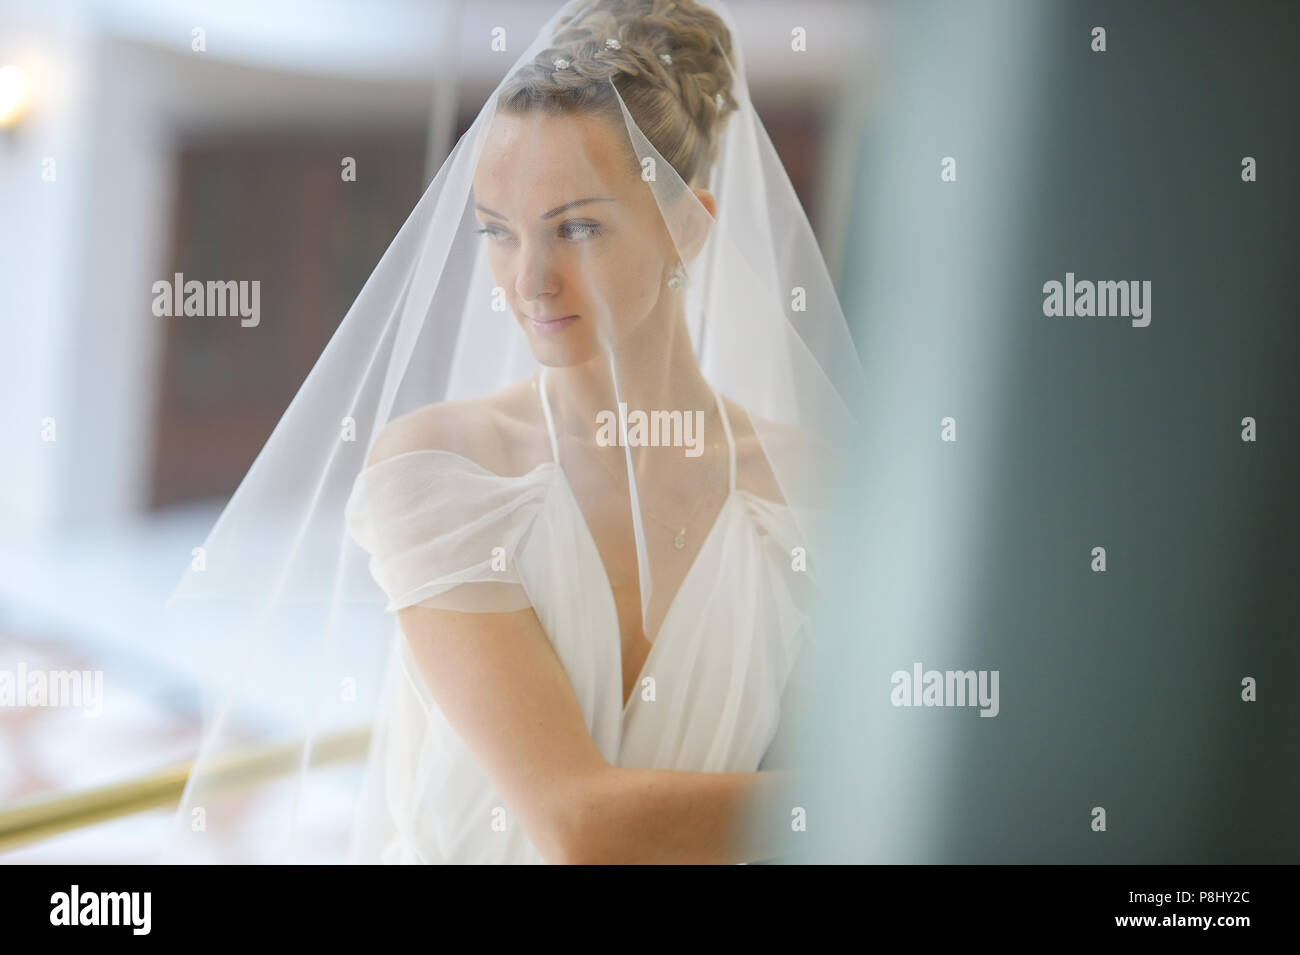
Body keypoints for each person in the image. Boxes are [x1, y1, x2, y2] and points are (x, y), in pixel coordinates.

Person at [162, 0, 865, 865]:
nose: (529, 279)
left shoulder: (810, 494)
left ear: (688, 225)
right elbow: (579, 827)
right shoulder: (443, 475)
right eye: (498, 232)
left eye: (576, 227)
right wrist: (878, 795)